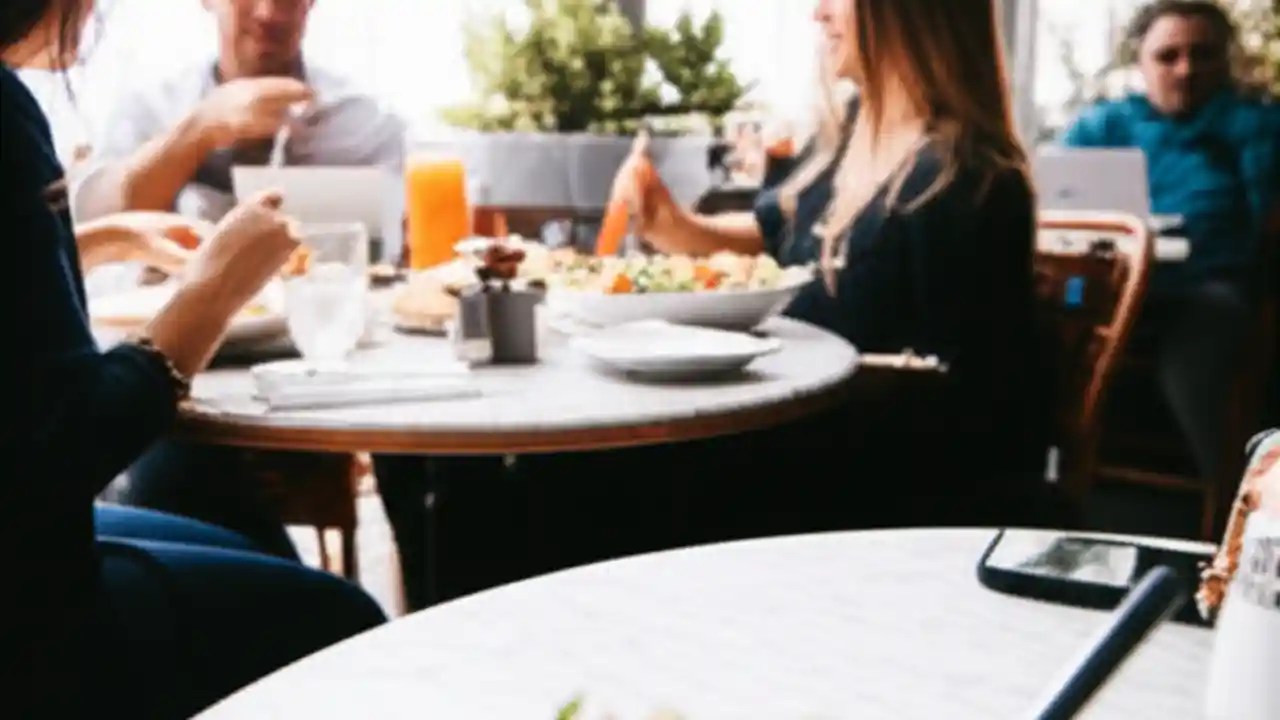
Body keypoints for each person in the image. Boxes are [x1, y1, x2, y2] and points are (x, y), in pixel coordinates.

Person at [3, 1, 386, 715]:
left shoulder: (364, 116)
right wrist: (216, 290)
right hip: (28, 604)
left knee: (262, 560)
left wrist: (102, 239)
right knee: (352, 629)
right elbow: (65, 441)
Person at [596, 0, 1054, 531]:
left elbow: (971, 414)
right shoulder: (851, 135)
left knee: (595, 484)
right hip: (793, 445)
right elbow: (778, 245)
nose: (818, 13)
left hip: (865, 495)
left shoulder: (966, 183)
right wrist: (672, 226)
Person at [70, 0, 407, 559]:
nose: (272, 9)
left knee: (427, 460)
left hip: (335, 372)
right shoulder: (153, 106)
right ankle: (301, 613)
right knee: (170, 465)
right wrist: (201, 130)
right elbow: (99, 220)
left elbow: (385, 265)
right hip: (182, 383)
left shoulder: (361, 119)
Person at [1060, 0, 1280, 485]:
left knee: (1202, 337)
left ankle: (1233, 501)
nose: (1186, 70)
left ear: (1226, 59)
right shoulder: (1103, 126)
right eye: (1169, 56)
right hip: (1107, 291)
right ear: (1141, 62)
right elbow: (1060, 201)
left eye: (1203, 55)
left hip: (1207, 287)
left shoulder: (1257, 127)